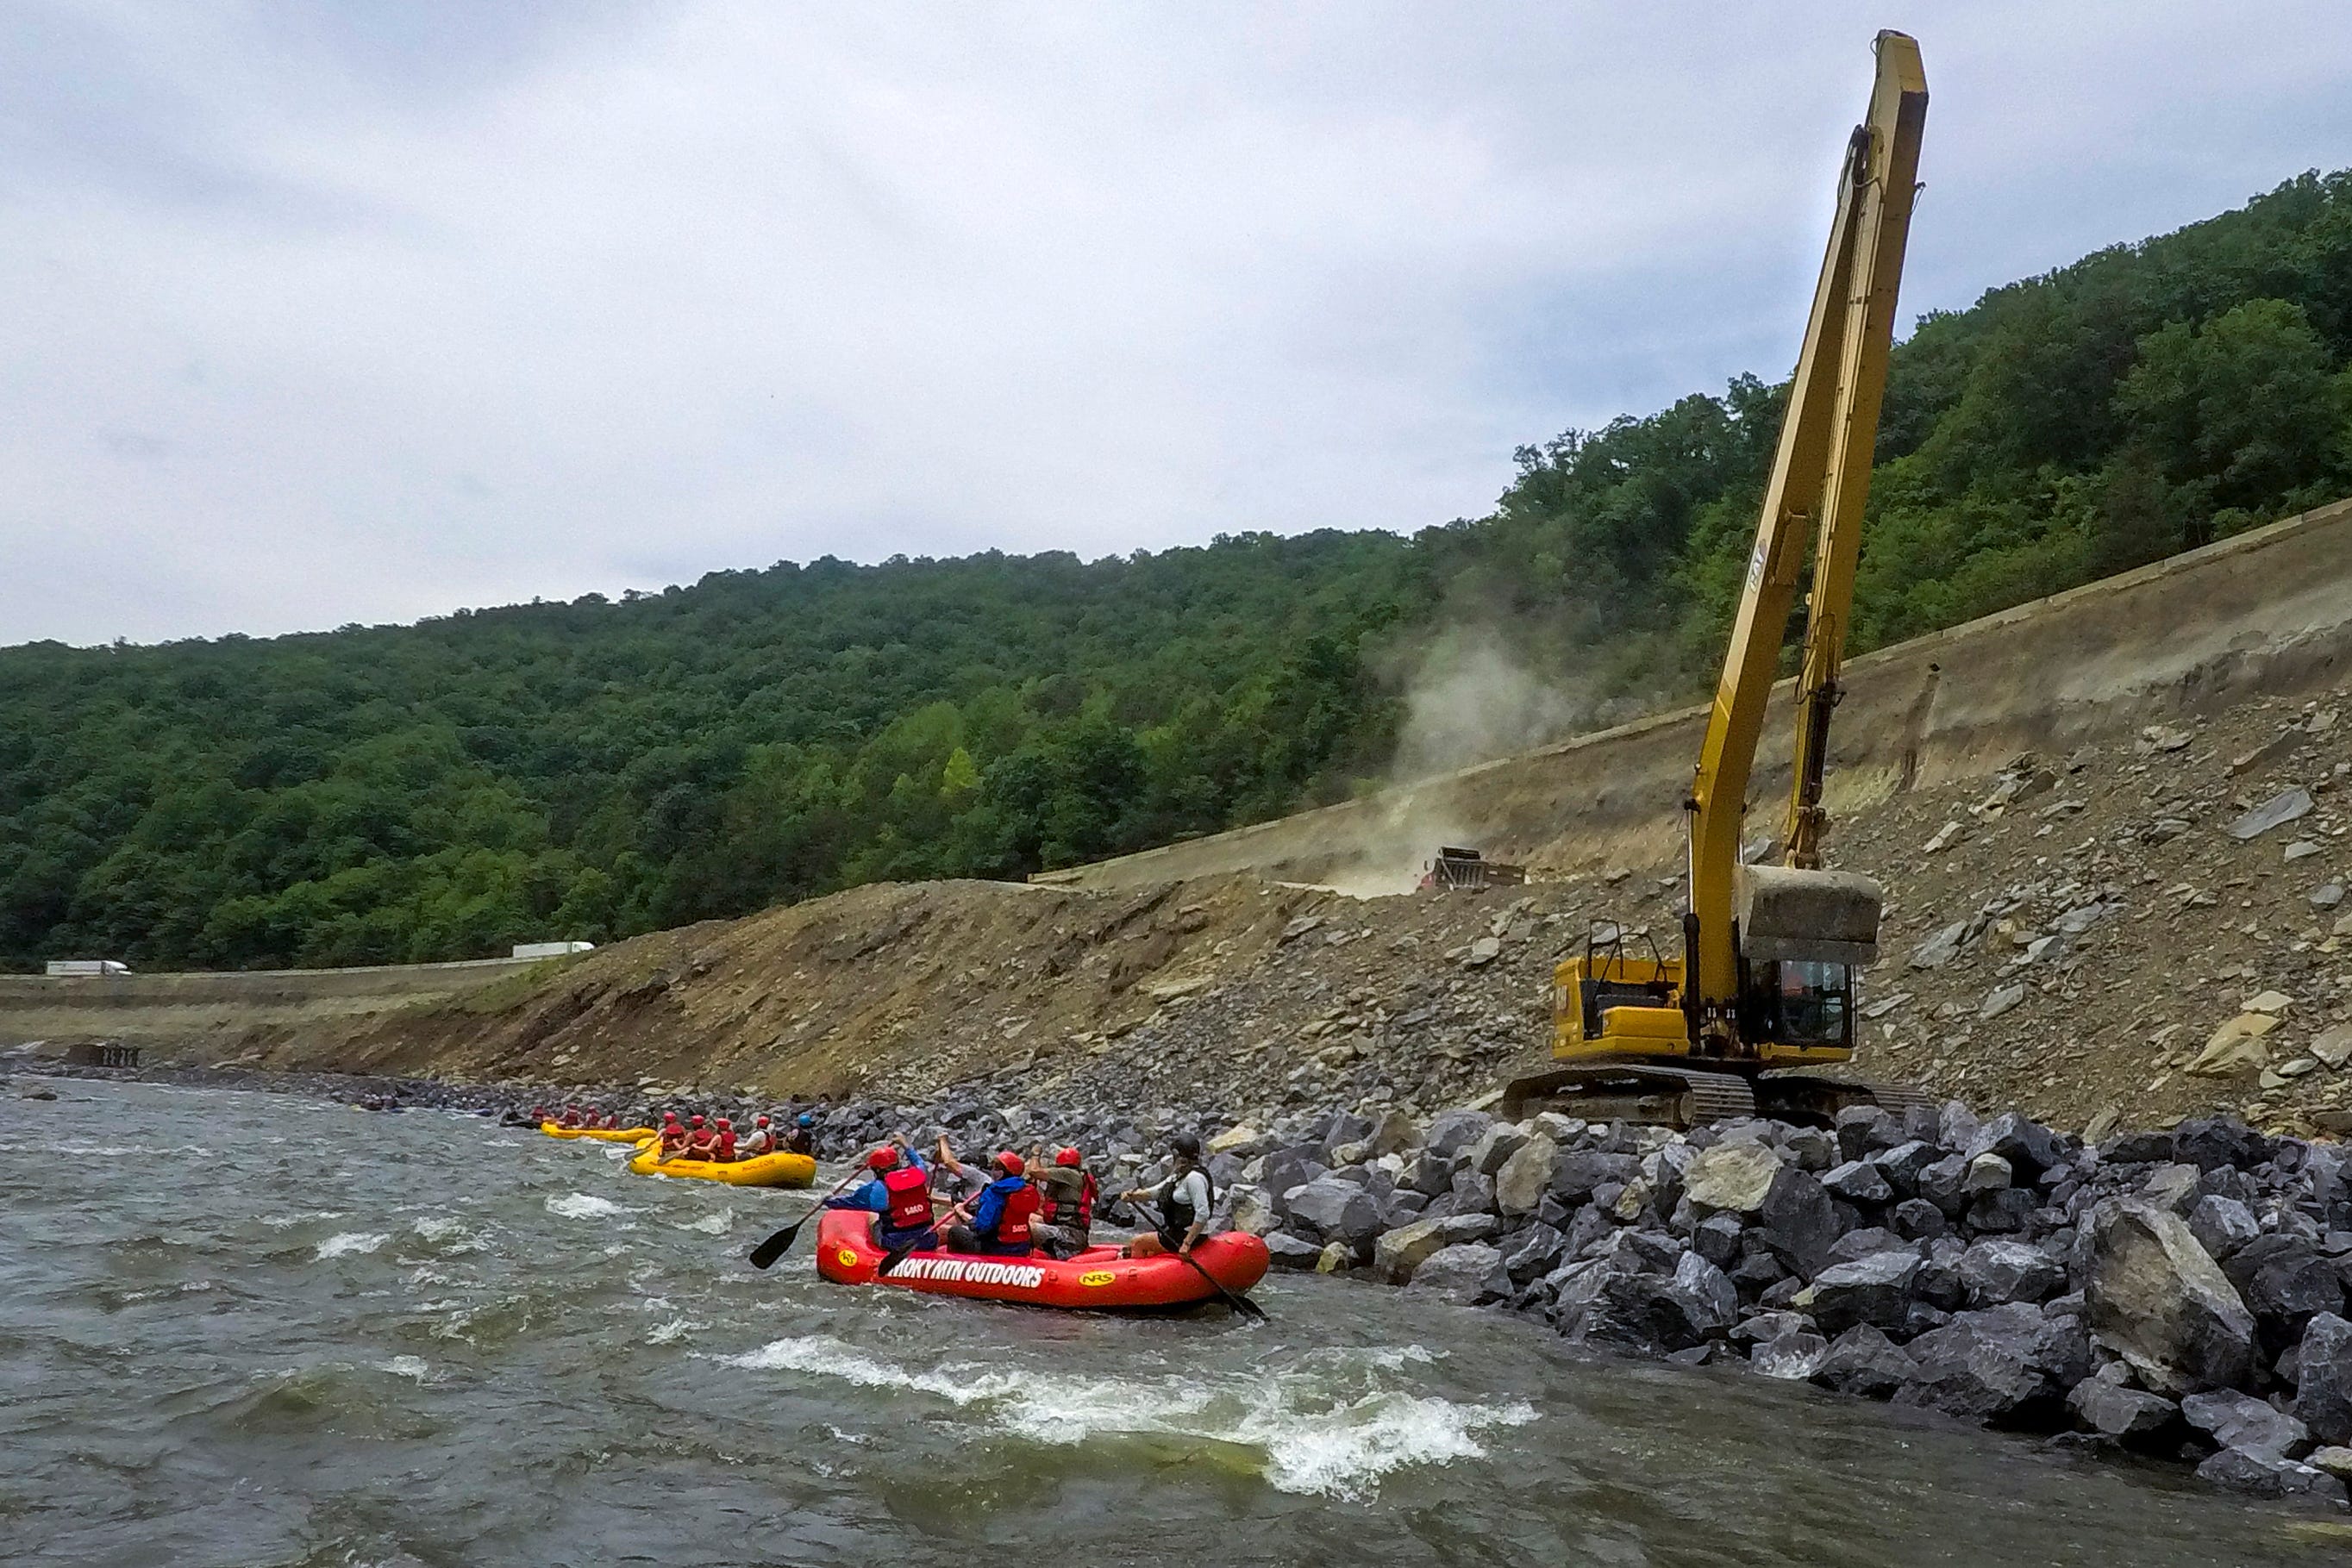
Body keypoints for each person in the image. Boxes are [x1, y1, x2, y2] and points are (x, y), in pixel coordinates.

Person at [823, 1139, 935, 1252]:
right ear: (898, 1164)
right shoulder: (920, 1175)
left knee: (873, 1216)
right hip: (927, 1240)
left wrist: (828, 1200)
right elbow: (919, 1162)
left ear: (876, 1170)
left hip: (895, 1244)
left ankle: (876, 1253)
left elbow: (849, 1202)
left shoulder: (876, 1189)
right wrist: (904, 1144)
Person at [1119, 1133, 1213, 1259]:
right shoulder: (1179, 1175)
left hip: (1187, 1236)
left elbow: (1203, 1214)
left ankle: (1132, 1273)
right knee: (1150, 1249)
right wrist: (1133, 1196)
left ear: (1180, 1156)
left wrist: (1186, 1243)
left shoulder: (1194, 1179)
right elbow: (1156, 1192)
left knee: (1137, 1243)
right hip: (1175, 1232)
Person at [945, 1151, 1038, 1257]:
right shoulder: (1027, 1190)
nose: (993, 1170)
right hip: (1022, 1246)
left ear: (1002, 1172)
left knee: (955, 1232)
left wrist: (962, 1213)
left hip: (997, 1248)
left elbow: (983, 1227)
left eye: (995, 1168)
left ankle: (957, 1266)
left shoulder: (994, 1193)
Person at [1029, 1146, 1098, 1260]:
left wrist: (1035, 1154)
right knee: (1031, 1218)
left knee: (1027, 1228)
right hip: (1072, 1232)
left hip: (1069, 1235)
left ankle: (1013, 1256)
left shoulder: (1067, 1174)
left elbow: (1034, 1171)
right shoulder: (1077, 1176)